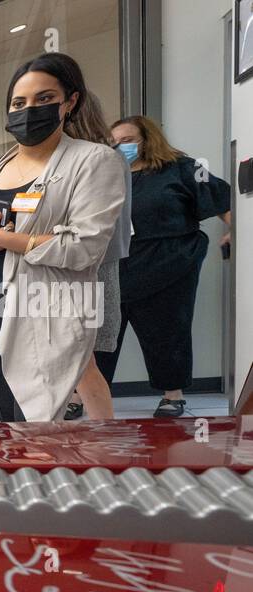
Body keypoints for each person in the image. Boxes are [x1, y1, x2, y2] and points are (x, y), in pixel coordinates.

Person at [0, 54, 127, 422]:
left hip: (46, 313)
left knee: (42, 421)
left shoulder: (94, 161)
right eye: (19, 103)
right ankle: (30, 477)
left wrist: (4, 239)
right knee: (13, 419)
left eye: (44, 99)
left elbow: (85, 248)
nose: (29, 110)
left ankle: (70, 474)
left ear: (70, 103)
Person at [97, 115, 232, 417]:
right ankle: (84, 396)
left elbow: (223, 198)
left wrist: (235, 230)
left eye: (128, 140)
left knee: (168, 332)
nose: (120, 146)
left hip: (169, 264)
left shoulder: (183, 169)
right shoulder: (108, 178)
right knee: (99, 337)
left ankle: (173, 395)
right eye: (114, 142)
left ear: (149, 139)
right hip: (116, 266)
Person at [62, 87, 132, 420]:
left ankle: (105, 443)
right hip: (69, 270)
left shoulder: (101, 159)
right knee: (76, 364)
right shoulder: (83, 158)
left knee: (85, 362)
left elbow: (92, 231)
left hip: (89, 270)